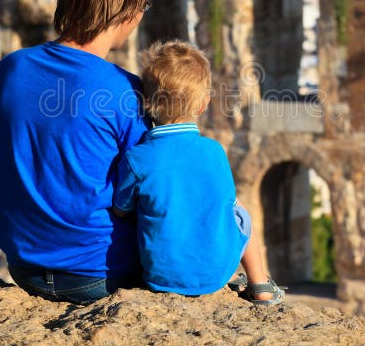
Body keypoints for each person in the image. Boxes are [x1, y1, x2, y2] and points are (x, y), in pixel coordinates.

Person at [0, 0, 152, 305]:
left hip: (23, 268)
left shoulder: (10, 71)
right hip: (102, 273)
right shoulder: (126, 92)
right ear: (129, 14)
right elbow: (151, 196)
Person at [112, 41, 285, 304]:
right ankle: (260, 283)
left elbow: (121, 209)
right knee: (239, 208)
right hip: (218, 273)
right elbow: (224, 204)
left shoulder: (137, 159)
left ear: (145, 103)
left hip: (160, 277)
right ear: (203, 104)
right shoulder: (214, 151)